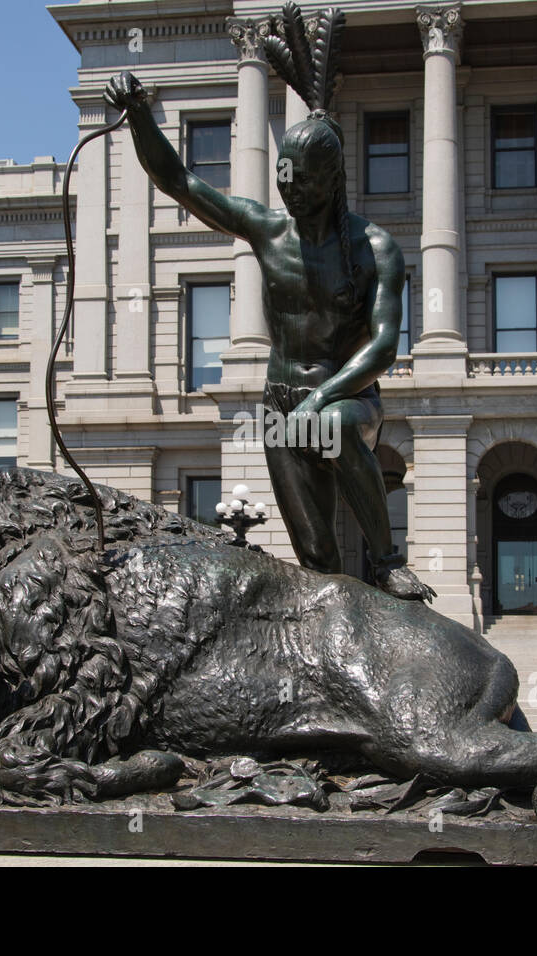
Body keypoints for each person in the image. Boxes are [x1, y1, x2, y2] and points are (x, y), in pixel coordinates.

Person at [104, 71, 435, 602]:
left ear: (331, 179)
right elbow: (179, 182)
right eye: (284, 179)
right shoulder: (267, 231)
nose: (290, 189)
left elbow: (383, 346)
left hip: (347, 398)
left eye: (301, 180)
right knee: (317, 560)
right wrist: (140, 115)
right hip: (280, 408)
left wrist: (324, 396)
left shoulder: (375, 248)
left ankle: (388, 562)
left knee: (333, 425)